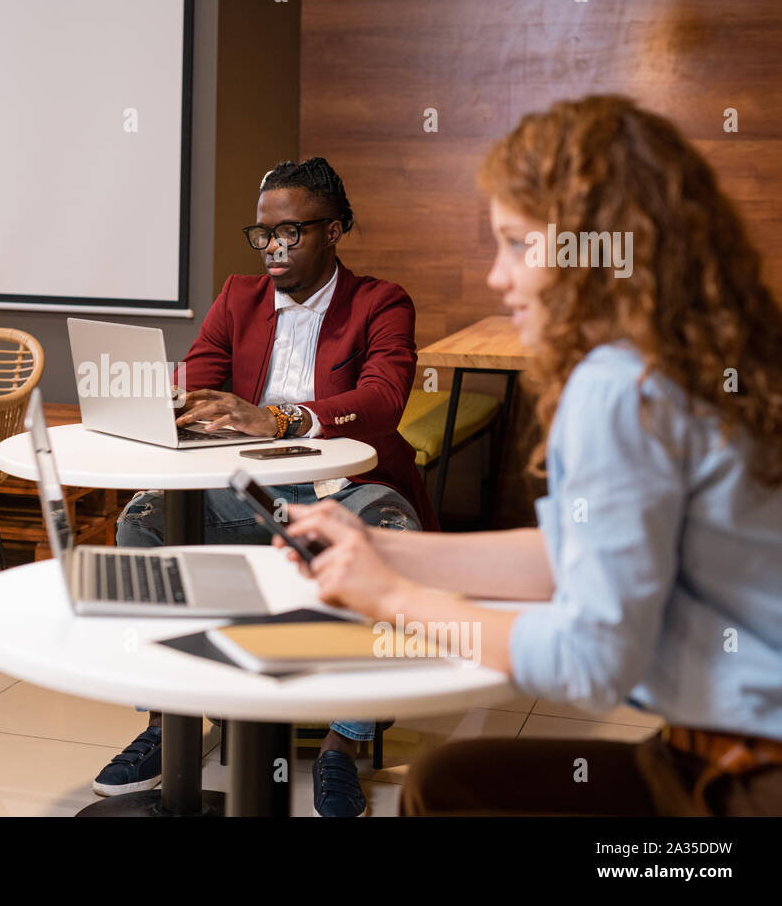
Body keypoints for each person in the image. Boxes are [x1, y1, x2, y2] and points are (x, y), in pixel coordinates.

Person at [279, 95, 782, 816]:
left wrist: (392, 599)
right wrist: (382, 548)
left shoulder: (618, 386)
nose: (496, 276)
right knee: (448, 784)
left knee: (453, 789)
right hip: (727, 751)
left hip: (745, 786)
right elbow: (574, 552)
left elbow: (591, 660)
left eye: (518, 244)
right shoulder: (703, 355)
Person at [93, 157, 438, 816]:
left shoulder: (380, 302)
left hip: (344, 487)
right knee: (145, 522)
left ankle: (343, 742)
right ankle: (171, 721)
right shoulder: (238, 297)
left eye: (291, 233)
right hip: (252, 489)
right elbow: (201, 371)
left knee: (388, 535)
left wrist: (282, 416)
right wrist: (183, 403)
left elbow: (384, 397)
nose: (273, 249)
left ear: (334, 229)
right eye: (263, 234)